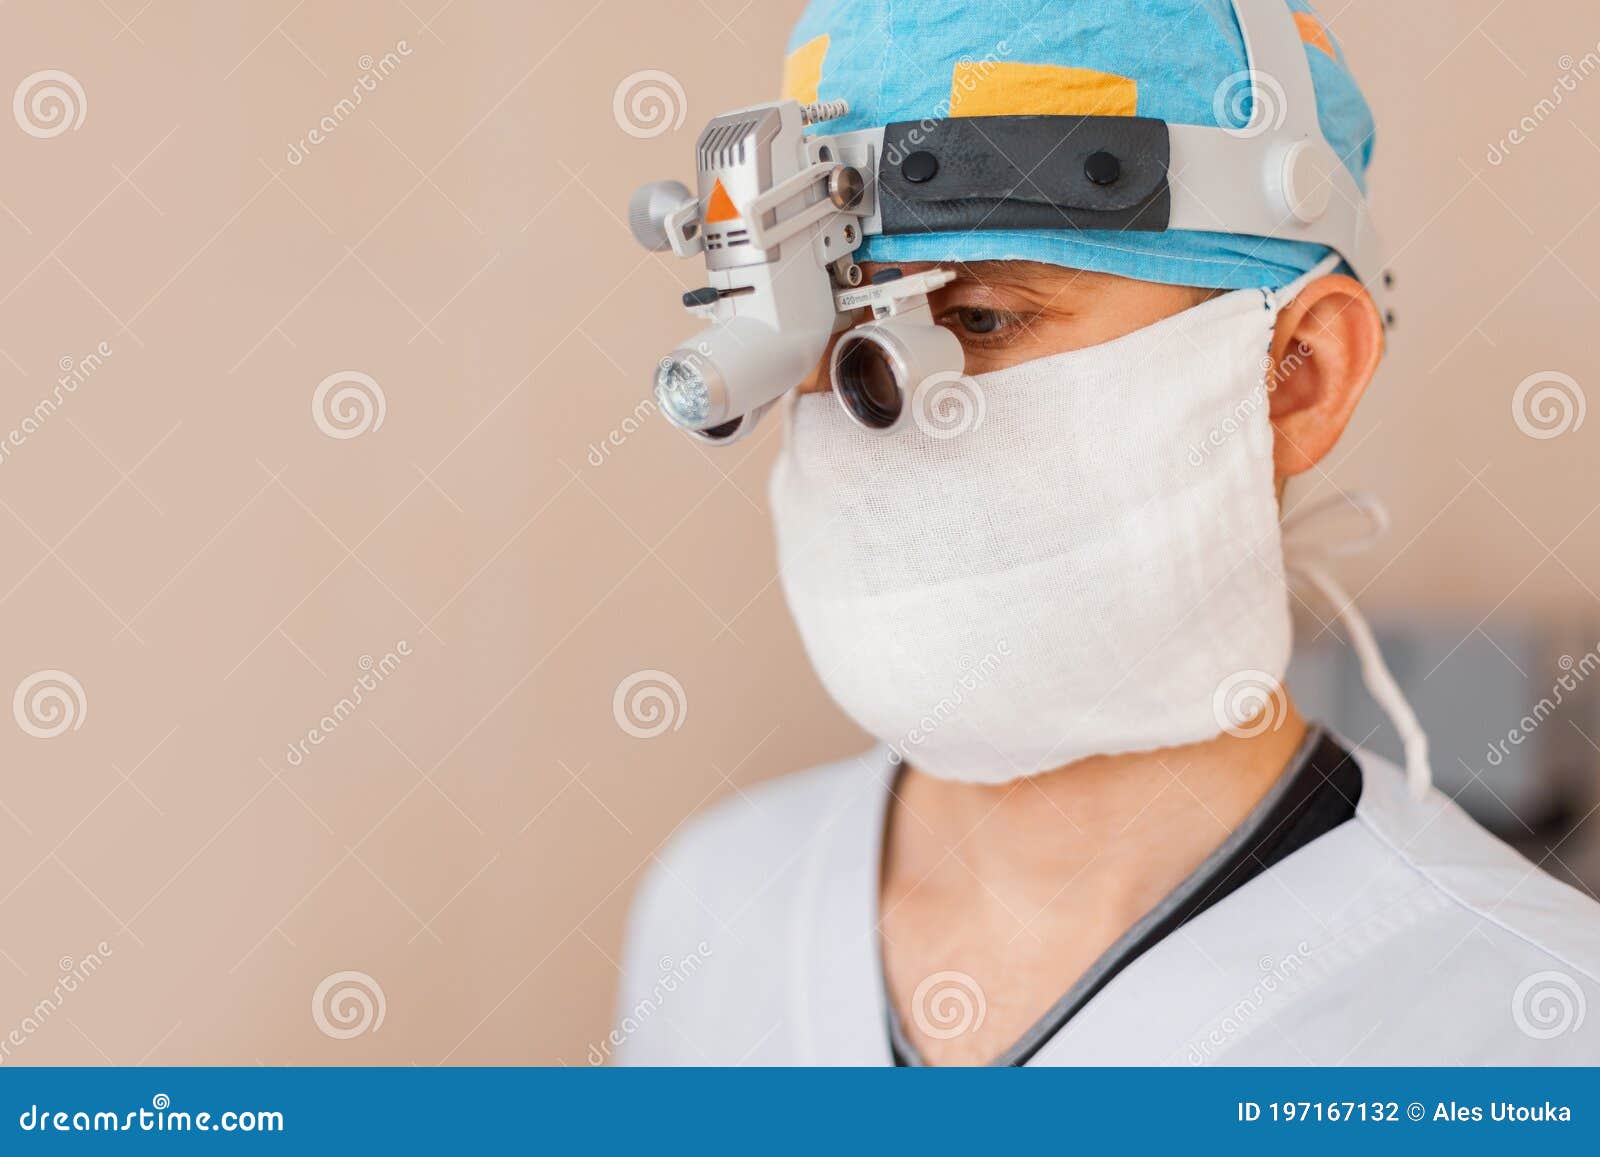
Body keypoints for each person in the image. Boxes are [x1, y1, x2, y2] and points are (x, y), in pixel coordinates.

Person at [614, 0, 1600, 1066]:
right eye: (826, 337)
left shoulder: (1526, 1020)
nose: (864, 420)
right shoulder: (715, 909)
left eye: (980, 318)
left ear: (1297, 377)